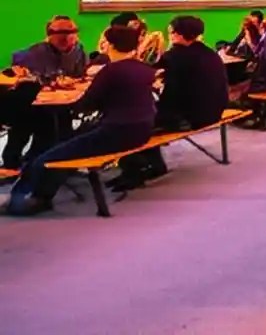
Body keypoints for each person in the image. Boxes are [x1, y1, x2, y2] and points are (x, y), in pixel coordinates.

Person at [4, 25, 156, 216]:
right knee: (67, 141)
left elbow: (84, 105)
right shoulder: (144, 69)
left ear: (107, 45)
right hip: (142, 129)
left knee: (47, 157)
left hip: (116, 132)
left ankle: (30, 200)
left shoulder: (110, 72)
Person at [114, 15, 230, 191]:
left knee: (131, 123)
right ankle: (153, 164)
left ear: (178, 34)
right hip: (213, 111)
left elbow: (150, 76)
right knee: (147, 117)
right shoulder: (210, 54)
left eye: (170, 32)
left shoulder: (175, 56)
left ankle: (134, 172)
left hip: (191, 117)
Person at [2, 16, 89, 170]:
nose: (67, 36)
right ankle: (15, 164)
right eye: (61, 32)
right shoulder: (35, 53)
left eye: (72, 31)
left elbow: (82, 74)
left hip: (64, 100)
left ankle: (52, 162)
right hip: (33, 104)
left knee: (60, 121)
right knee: (32, 122)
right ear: (49, 35)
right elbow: (24, 77)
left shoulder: (79, 51)